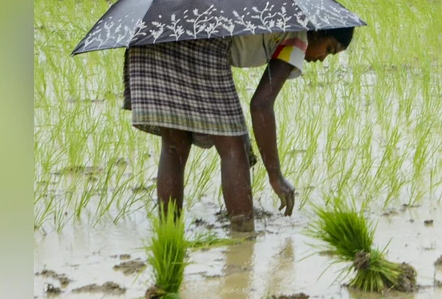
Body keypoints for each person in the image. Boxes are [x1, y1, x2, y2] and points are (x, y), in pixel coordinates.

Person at [123, 27, 356, 231]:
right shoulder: (297, 35)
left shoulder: (279, 20)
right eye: (330, 49)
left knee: (174, 145)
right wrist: (276, 176)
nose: (323, 58)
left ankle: (168, 234)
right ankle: (243, 239)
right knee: (234, 147)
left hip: (155, 38)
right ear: (318, 32)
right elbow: (261, 106)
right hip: (199, 45)